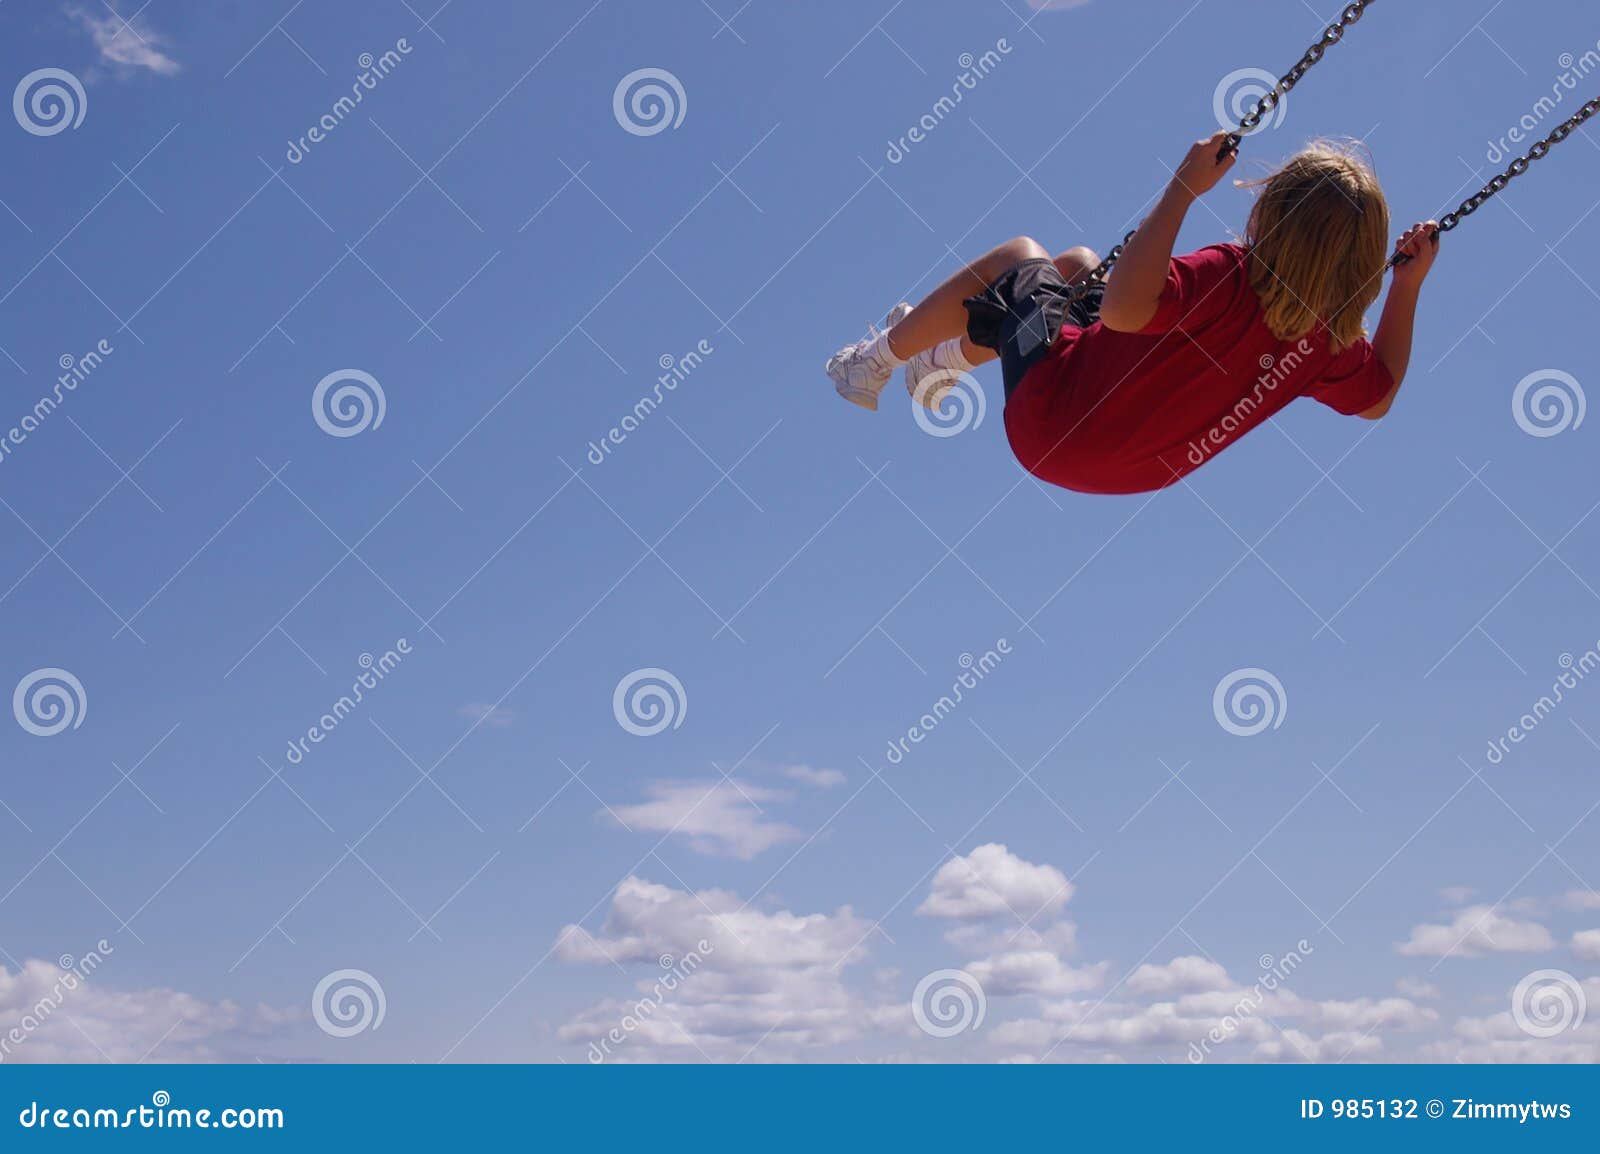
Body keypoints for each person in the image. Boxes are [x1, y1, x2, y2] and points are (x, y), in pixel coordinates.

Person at [824, 132, 1440, 495]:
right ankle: (938, 365)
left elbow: (1122, 311)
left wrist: (1182, 189)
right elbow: (1379, 398)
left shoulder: (1229, 277)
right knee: (1077, 267)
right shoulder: (1326, 345)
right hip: (1129, 470)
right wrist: (1407, 288)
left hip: (1056, 421)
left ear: (1273, 213)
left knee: (1020, 257)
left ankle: (871, 363)